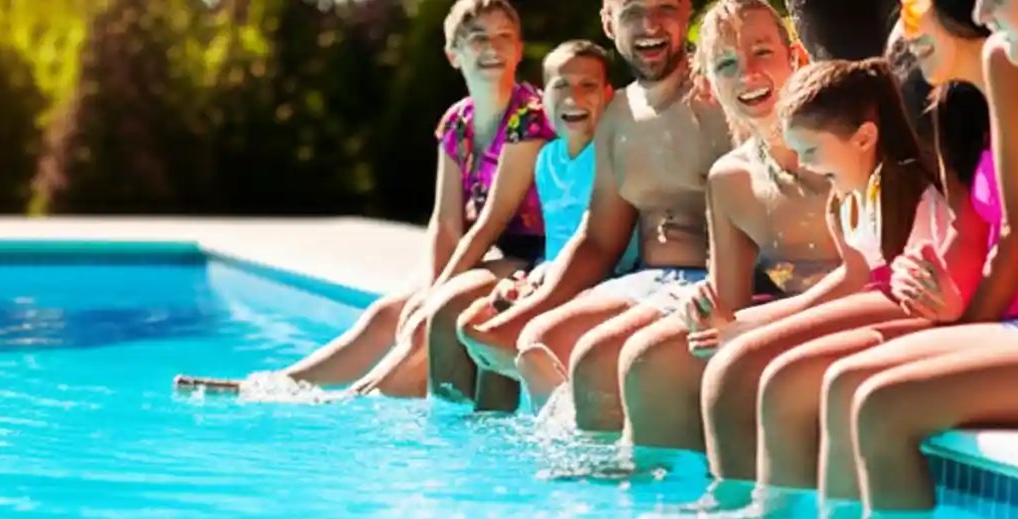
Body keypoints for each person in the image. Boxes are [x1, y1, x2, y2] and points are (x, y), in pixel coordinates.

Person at [756, 0, 1018, 519]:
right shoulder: (959, 98)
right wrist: (942, 293)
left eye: (915, 4)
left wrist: (966, 319)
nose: (904, 26)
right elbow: (976, 230)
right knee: (834, 383)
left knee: (874, 402)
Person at [620, 57, 958, 511]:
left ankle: (778, 512)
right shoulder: (849, 200)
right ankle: (736, 496)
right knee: (730, 356)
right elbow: (850, 278)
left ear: (863, 139)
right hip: (876, 307)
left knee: (752, 366)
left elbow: (897, 298)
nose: (803, 164)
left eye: (812, 152)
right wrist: (742, 321)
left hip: (908, 318)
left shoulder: (911, 196)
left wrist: (746, 331)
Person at [174, 0, 554, 398]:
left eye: (504, 37)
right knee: (385, 314)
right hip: (496, 249)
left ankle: (353, 399)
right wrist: (429, 282)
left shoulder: (528, 117)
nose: (492, 47)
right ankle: (277, 384)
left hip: (536, 253)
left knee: (428, 318)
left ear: (519, 49)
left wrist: (435, 292)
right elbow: (445, 222)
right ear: (453, 55)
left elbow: (494, 218)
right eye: (478, 38)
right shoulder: (457, 123)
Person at [458, 0, 733, 423]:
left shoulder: (721, 96)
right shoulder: (619, 115)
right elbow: (600, 239)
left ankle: (602, 468)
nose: (650, 25)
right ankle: (569, 468)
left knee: (585, 355)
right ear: (608, 21)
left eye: (665, 8)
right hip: (649, 281)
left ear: (687, 12)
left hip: (709, 283)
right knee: (530, 341)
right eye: (632, 12)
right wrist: (537, 304)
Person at [453, 39, 615, 411]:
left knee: (485, 331)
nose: (573, 96)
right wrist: (530, 278)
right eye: (561, 85)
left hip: (593, 280)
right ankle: (491, 434)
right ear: (543, 100)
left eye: (588, 86)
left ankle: (559, 405)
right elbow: (557, 238)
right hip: (550, 274)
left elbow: (609, 242)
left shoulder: (610, 155)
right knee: (479, 318)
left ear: (608, 96)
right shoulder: (546, 161)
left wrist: (549, 281)